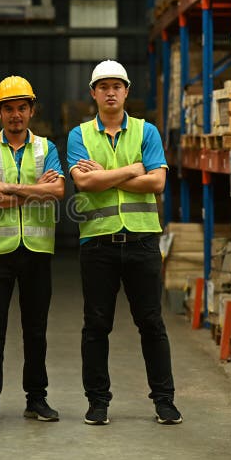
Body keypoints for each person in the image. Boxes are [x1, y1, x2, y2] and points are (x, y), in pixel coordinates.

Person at [67, 59, 181, 426]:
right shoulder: (78, 136)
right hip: (97, 243)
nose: (111, 92)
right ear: (93, 93)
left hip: (142, 240)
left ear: (126, 91)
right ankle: (97, 403)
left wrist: (109, 176)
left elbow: (157, 184)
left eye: (117, 86)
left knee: (151, 322)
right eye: (103, 86)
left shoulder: (147, 132)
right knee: (97, 325)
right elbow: (84, 184)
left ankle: (164, 401)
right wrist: (134, 170)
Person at [0, 75, 65, 426]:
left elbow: (56, 193)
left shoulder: (47, 147)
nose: (15, 115)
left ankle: (36, 399)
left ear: (31, 110)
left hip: (37, 250)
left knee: (35, 329)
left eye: (21, 108)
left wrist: (6, 187)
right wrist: (30, 189)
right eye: (8, 109)